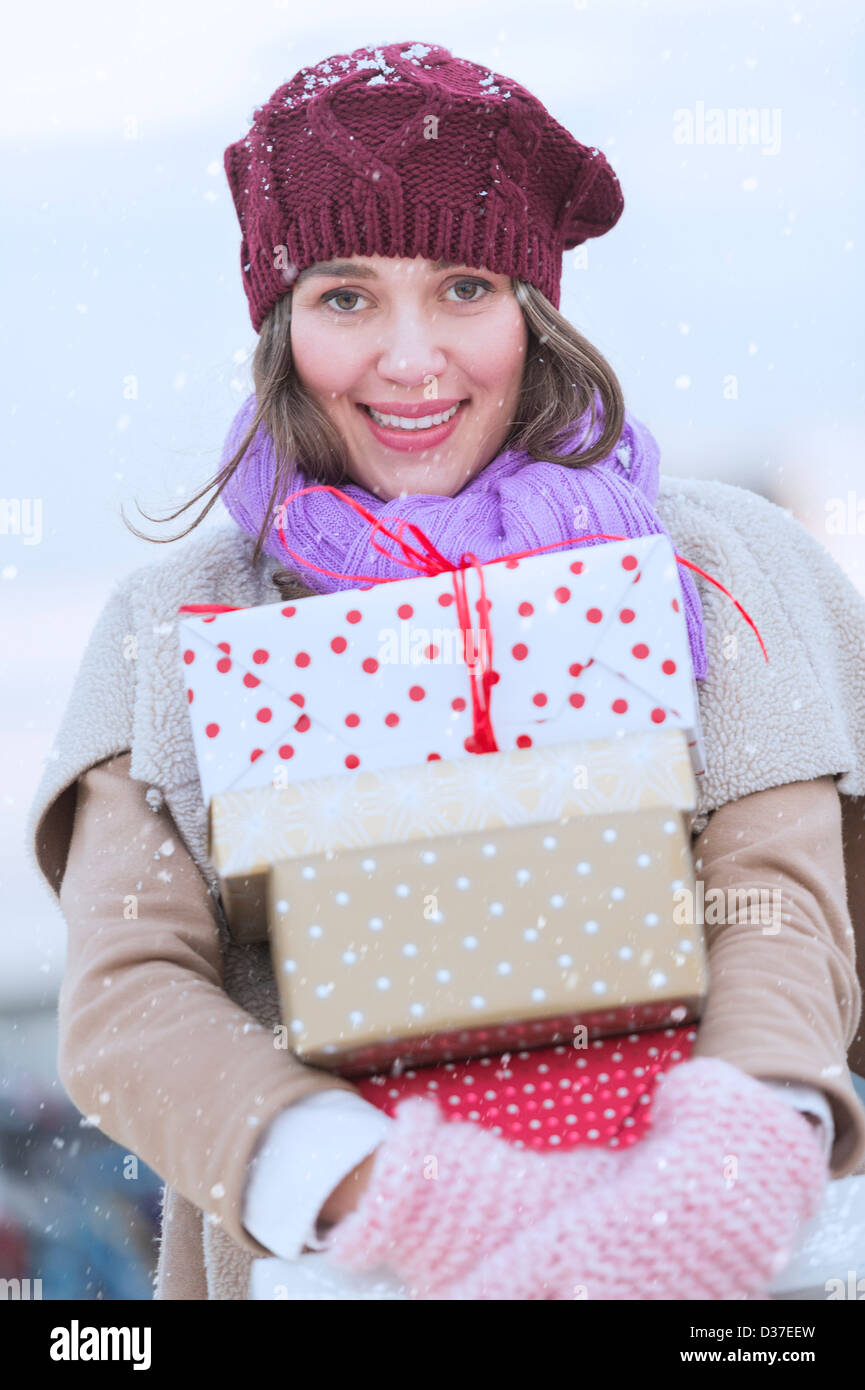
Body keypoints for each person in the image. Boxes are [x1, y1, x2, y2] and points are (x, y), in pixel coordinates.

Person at [25, 40, 865, 1301]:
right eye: (346, 297)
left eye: (464, 287)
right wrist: (393, 1191)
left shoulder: (708, 561)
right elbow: (130, 998)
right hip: (327, 1268)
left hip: (736, 1268)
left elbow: (776, 901)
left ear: (533, 308)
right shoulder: (183, 618)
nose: (410, 359)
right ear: (281, 324)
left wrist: (726, 1166)